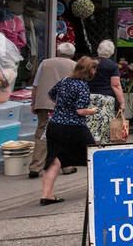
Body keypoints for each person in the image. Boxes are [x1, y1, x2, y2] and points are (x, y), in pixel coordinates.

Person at [39, 56, 99, 205]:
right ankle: (99, 189)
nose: (95, 71)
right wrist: (92, 111)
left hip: (55, 125)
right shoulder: (83, 86)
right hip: (74, 127)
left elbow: (51, 95)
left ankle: (46, 194)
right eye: (94, 68)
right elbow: (80, 111)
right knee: (95, 155)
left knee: (54, 159)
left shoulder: (65, 80)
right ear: (89, 70)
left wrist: (63, 107)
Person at [28, 42, 76, 178]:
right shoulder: (75, 66)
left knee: (42, 133)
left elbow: (36, 85)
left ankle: (35, 167)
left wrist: (34, 103)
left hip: (44, 104)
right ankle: (66, 166)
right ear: (72, 54)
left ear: (58, 52)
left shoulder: (45, 63)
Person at [88, 39, 126, 145]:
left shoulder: (89, 63)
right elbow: (116, 85)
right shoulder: (112, 66)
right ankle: (102, 147)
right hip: (106, 99)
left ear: (98, 50)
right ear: (111, 52)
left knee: (90, 123)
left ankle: (90, 146)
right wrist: (122, 102)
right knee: (105, 125)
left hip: (89, 97)